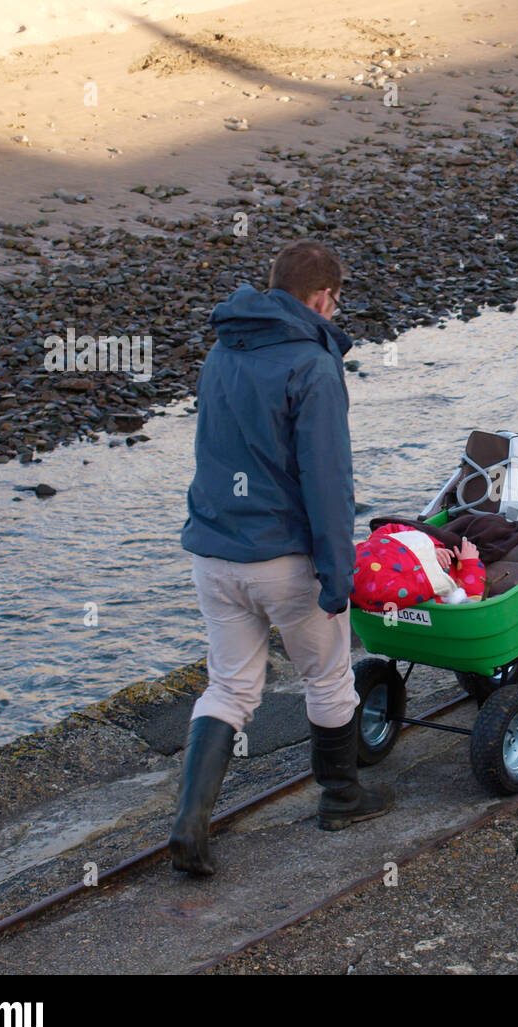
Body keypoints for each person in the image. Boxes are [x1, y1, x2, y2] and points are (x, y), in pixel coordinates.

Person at [170, 239, 393, 877]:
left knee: (230, 686)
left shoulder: (222, 349)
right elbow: (327, 480)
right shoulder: (314, 366)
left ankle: (190, 825)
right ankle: (343, 797)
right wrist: (337, 570)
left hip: (214, 552)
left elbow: (214, 452)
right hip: (283, 558)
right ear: (323, 298)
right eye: (337, 300)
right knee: (328, 676)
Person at [351, 525, 486, 610]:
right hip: (463, 568)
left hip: (448, 546)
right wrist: (470, 562)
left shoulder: (375, 546)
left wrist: (433, 547)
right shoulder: (433, 593)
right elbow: (471, 600)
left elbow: (394, 529)